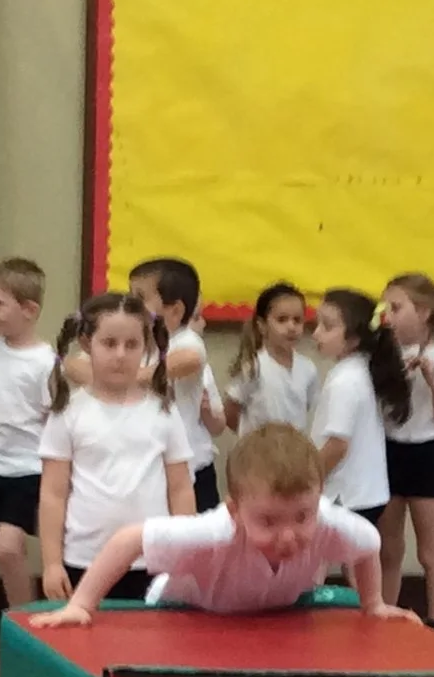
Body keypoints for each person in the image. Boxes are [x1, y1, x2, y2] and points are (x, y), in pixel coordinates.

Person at [30, 422, 412, 625]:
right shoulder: (214, 533)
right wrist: (81, 605)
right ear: (235, 511)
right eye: (268, 521)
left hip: (264, 620)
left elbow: (369, 545)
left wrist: (373, 603)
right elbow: (128, 540)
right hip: (183, 612)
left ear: (318, 499)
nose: (288, 535)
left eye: (302, 516)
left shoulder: (328, 523)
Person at [37, 292, 194, 604]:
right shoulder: (69, 411)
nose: (120, 354)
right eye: (109, 343)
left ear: (146, 347)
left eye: (132, 345)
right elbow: (53, 493)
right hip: (85, 559)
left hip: (152, 558)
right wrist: (52, 563)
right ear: (87, 344)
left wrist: (186, 556)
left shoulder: (163, 410)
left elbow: (180, 488)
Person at [0, 257, 55, 610]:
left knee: (9, 546)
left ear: (29, 310)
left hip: (31, 468)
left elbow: (54, 419)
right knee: (4, 551)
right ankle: (20, 616)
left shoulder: (45, 361)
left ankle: (26, 618)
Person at [378, 271, 434, 629]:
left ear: (425, 312)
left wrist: (432, 380)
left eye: (396, 308)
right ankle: (382, 617)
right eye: (386, 308)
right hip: (387, 452)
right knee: (389, 549)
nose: (388, 316)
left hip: (423, 455)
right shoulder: (382, 357)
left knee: (431, 551)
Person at [129, 256, 228, 511]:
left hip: (189, 468)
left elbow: (189, 360)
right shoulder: (139, 346)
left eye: (139, 298)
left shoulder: (186, 341)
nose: (130, 306)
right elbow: (76, 366)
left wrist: (127, 376)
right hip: (151, 465)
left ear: (174, 311)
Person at [308, 287, 404, 533]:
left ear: (354, 339)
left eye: (327, 327)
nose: (316, 333)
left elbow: (338, 444)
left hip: (348, 496)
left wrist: (306, 481)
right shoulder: (359, 370)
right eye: (317, 324)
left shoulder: (345, 381)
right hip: (364, 493)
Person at [225, 282, 317, 432]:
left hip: (294, 445)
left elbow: (304, 409)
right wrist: (253, 437)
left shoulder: (308, 368)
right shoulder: (253, 367)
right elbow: (230, 413)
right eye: (282, 319)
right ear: (262, 325)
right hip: (258, 445)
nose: (291, 327)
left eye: (297, 320)